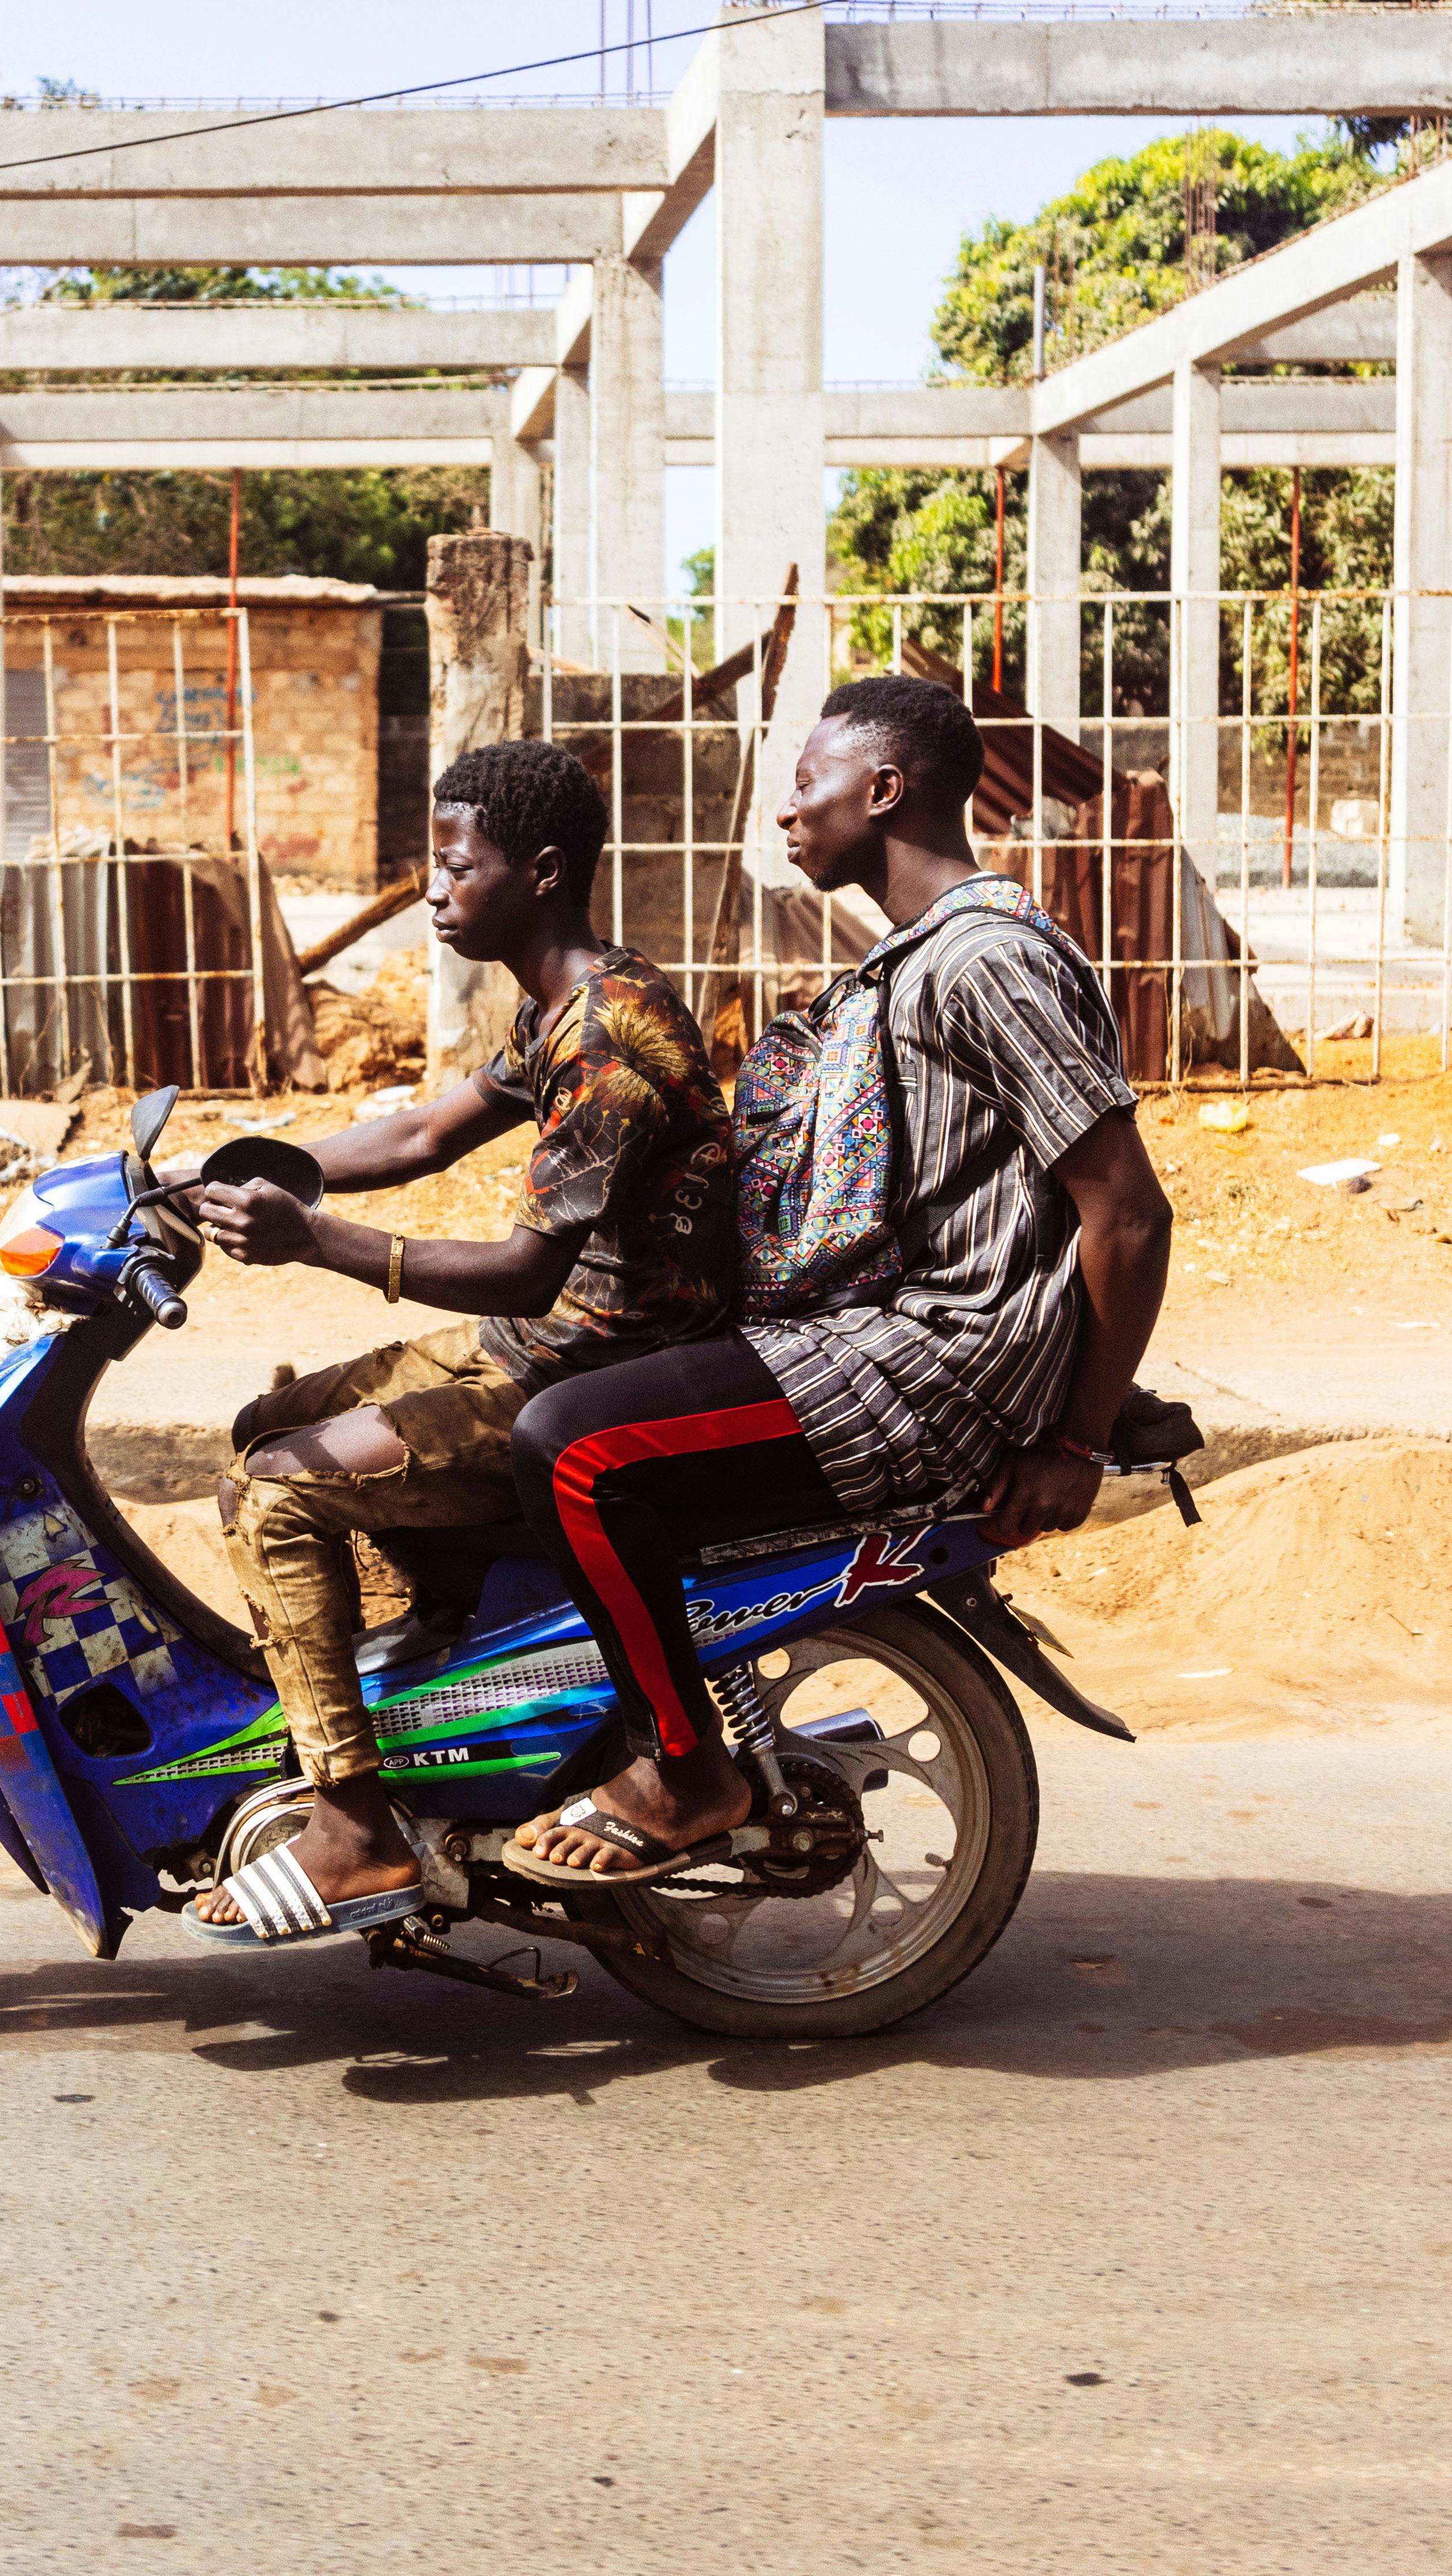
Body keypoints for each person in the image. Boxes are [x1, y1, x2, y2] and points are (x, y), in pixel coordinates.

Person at [510, 672, 1174, 1885]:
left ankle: (684, 1771)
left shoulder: (984, 961)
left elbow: (1127, 1213)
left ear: (882, 790)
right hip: (877, 1336)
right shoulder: (908, 962)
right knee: (577, 1385)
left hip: (934, 1360)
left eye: (807, 784)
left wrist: (1074, 1443)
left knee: (574, 1446)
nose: (786, 810)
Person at [185, 737, 736, 1943]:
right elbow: (425, 1135)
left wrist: (314, 1241)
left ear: (541, 872)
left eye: (455, 865)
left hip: (586, 1373)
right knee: (267, 1424)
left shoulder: (609, 1036)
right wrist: (214, 1170)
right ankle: (429, 1683)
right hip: (536, 1342)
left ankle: (353, 1826)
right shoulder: (561, 1003)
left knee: (272, 1493)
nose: (432, 890)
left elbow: (528, 1268)